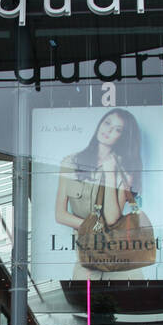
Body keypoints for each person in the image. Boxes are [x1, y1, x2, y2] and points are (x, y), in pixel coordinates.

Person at [54, 107, 146, 280]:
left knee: (130, 303)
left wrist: (110, 174)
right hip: (87, 254)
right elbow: (60, 215)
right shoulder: (70, 162)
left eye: (117, 129)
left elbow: (112, 218)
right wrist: (94, 229)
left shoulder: (124, 168)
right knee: (82, 302)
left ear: (123, 136)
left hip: (121, 258)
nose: (108, 130)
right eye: (107, 123)